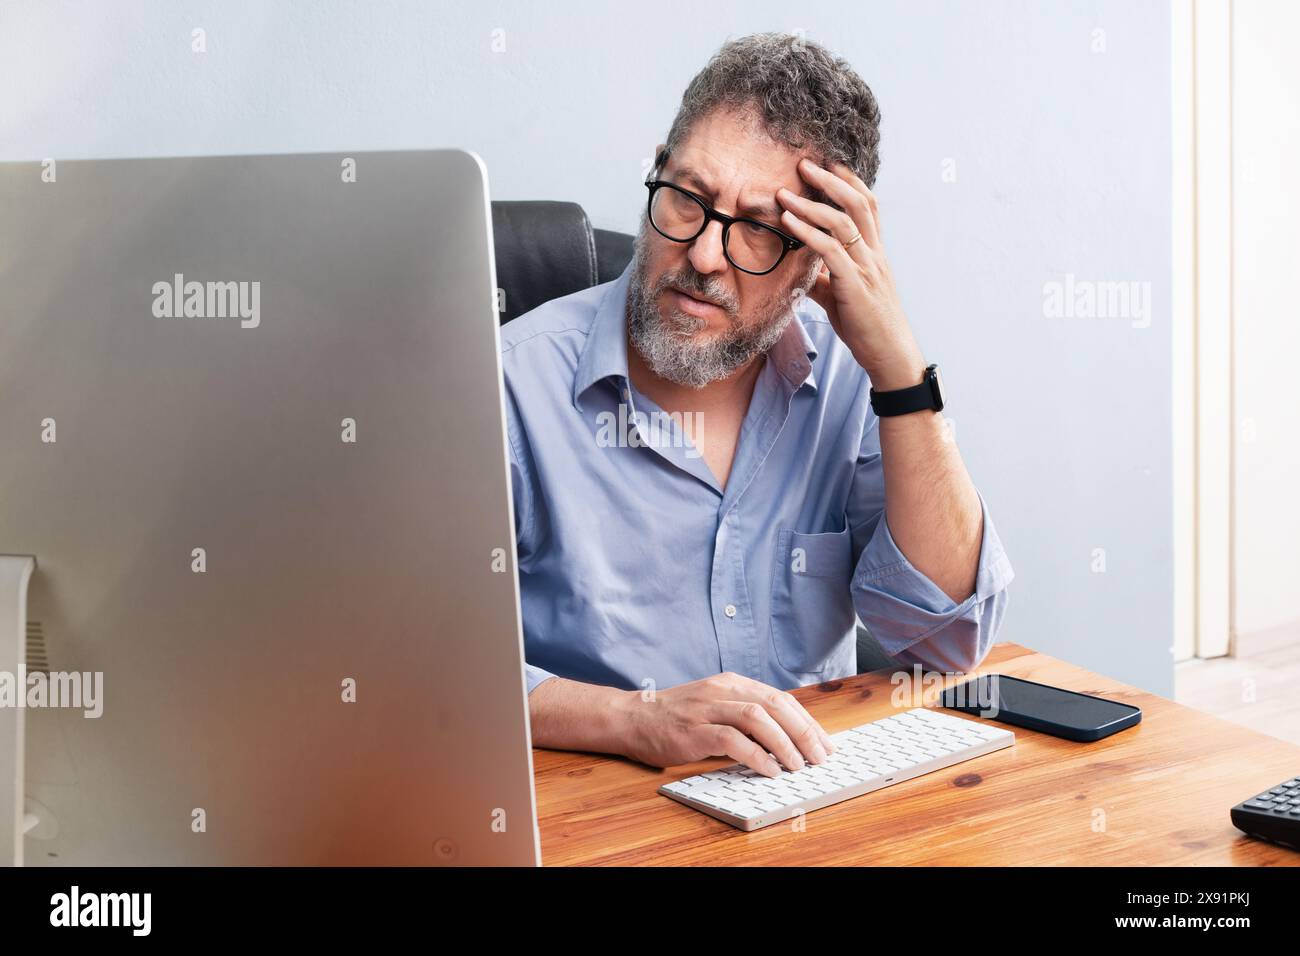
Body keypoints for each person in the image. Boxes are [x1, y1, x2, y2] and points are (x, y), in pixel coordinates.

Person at [500, 33, 1014, 778]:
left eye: (760, 231)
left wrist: (901, 372)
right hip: (603, 821)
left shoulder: (852, 381)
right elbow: (405, 667)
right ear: (657, 173)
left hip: (805, 807)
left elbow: (944, 643)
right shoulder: (514, 386)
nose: (706, 256)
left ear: (816, 260)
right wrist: (635, 721)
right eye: (687, 200)